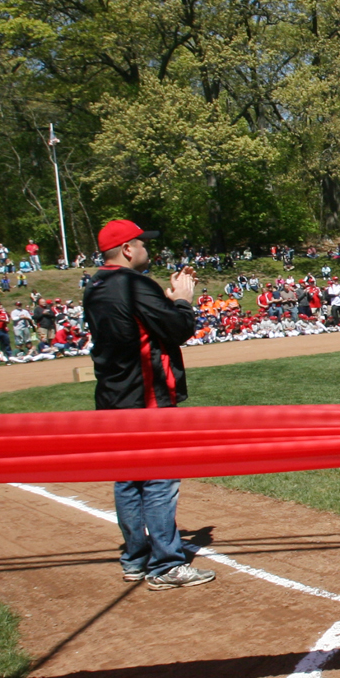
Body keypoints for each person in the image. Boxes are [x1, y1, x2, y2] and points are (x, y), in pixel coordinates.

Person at [82, 218, 213, 591]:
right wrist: (183, 300)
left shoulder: (95, 285)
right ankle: (166, 564)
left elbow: (136, 326)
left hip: (113, 396)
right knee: (159, 478)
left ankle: (136, 559)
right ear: (127, 249)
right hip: (147, 397)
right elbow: (179, 329)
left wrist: (164, 302)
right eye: (142, 243)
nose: (147, 248)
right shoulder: (134, 283)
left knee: (128, 478)